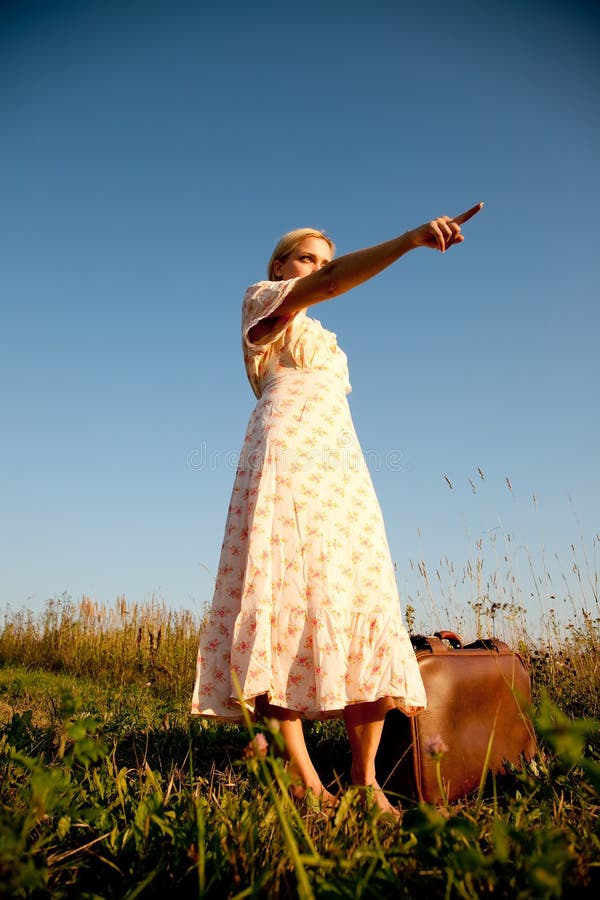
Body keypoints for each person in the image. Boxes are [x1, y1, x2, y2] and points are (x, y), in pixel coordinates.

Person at [192, 203, 484, 814]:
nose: (320, 269)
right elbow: (326, 286)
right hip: (285, 458)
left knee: (362, 601)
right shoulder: (264, 299)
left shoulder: (327, 340)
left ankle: (364, 778)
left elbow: (329, 293)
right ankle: (307, 784)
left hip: (341, 466)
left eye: (324, 259)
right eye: (307, 257)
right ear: (281, 265)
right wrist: (409, 240)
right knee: (284, 599)